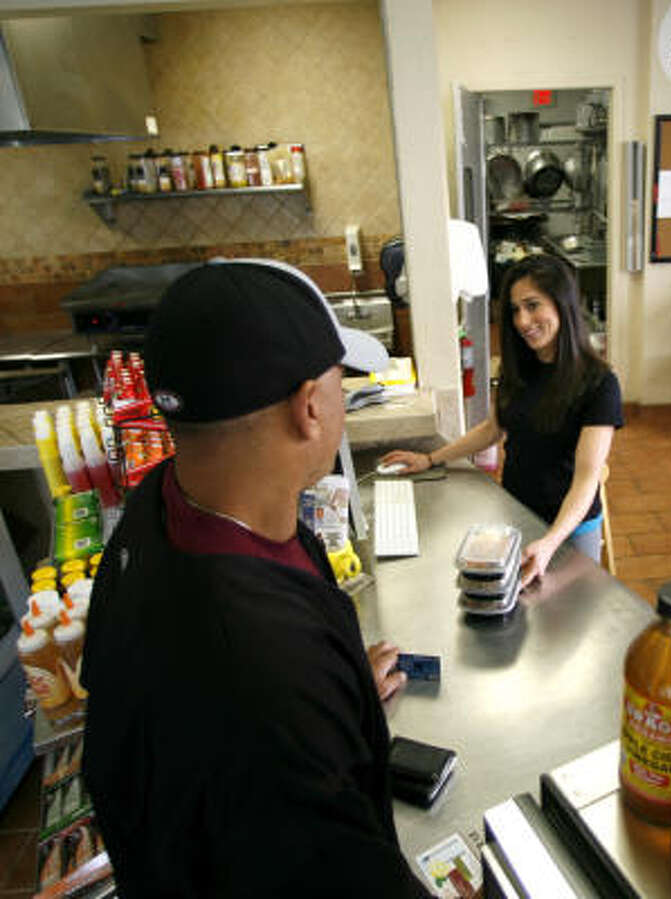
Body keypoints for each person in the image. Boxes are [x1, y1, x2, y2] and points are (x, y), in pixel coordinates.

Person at [81, 259, 430, 897]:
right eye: (339, 386)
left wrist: (339, 696)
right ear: (308, 409)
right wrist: (301, 709)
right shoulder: (258, 670)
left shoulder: (160, 508)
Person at [381, 254, 621, 587]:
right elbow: (493, 428)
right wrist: (430, 458)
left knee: (570, 624)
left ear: (562, 304)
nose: (523, 321)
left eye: (533, 305)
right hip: (518, 515)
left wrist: (551, 542)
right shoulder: (518, 370)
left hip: (568, 532)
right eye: (515, 310)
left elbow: (586, 481)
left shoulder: (599, 383)